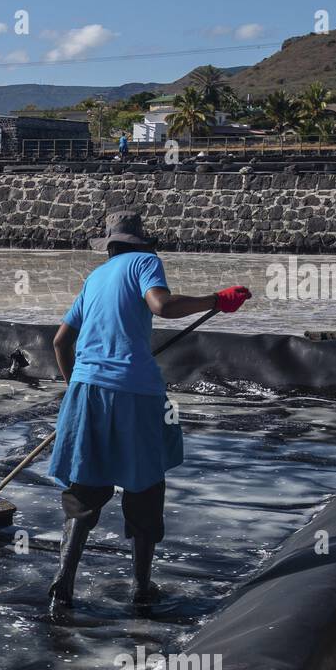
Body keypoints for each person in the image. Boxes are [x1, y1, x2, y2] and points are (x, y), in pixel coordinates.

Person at [48, 211, 250, 608]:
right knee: (144, 486)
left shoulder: (94, 279)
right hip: (134, 393)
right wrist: (215, 300)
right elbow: (161, 306)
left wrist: (77, 388)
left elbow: (59, 342)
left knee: (84, 488)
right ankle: (141, 587)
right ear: (139, 243)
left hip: (87, 392)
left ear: (109, 245)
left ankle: (63, 584)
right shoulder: (145, 263)